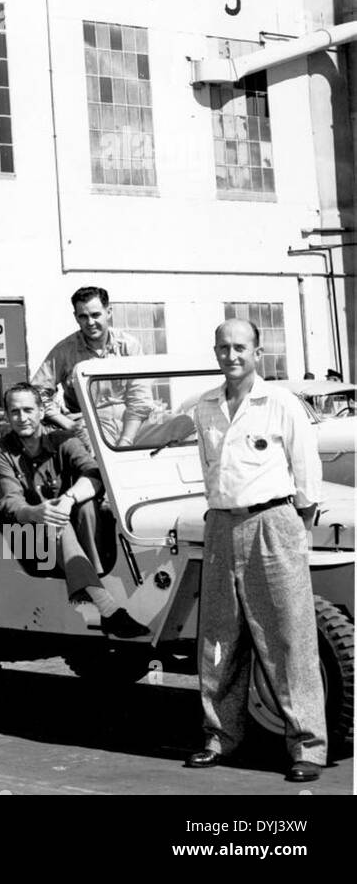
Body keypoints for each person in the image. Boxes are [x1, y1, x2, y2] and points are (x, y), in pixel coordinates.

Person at [184, 319, 326, 783]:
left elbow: (307, 470)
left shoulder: (280, 403)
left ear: (257, 352)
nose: (231, 355)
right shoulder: (206, 406)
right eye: (223, 347)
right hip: (223, 525)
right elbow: (210, 468)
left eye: (240, 347)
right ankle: (219, 736)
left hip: (273, 523)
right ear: (215, 351)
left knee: (289, 637)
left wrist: (297, 526)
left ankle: (307, 746)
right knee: (219, 638)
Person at [0, 383, 148, 637]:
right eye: (15, 412)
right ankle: (106, 605)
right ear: (7, 416)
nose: (22, 418)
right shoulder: (1, 449)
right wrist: (36, 512)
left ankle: (94, 587)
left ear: (42, 412)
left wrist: (68, 499)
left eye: (28, 410)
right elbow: (11, 501)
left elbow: (95, 473)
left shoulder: (63, 440)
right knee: (56, 519)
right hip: (30, 538)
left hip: (73, 531)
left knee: (83, 505)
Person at [31, 285, 151, 448]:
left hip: (133, 423)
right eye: (83, 317)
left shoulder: (129, 346)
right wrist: (65, 422)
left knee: (185, 425)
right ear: (76, 317)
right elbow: (36, 391)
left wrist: (126, 441)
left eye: (95, 315)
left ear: (109, 312)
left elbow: (140, 398)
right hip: (90, 427)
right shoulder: (65, 351)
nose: (90, 323)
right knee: (96, 459)